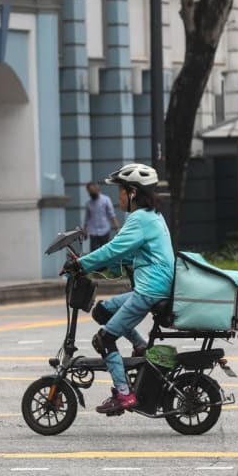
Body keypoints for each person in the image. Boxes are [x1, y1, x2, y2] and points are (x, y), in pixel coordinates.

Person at [65, 163, 175, 415]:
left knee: (103, 340)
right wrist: (97, 268)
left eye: (121, 192)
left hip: (150, 290)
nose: (119, 197)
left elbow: (114, 248)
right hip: (153, 287)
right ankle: (140, 346)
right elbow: (124, 255)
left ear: (133, 192)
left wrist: (80, 264)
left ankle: (125, 395)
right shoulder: (152, 215)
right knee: (102, 311)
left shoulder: (140, 218)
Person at [83, 182, 120, 252]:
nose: (92, 192)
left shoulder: (106, 199)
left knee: (104, 251)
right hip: (93, 231)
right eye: (90, 191)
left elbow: (112, 215)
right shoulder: (88, 203)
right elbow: (87, 218)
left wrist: (117, 228)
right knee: (94, 252)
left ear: (97, 189)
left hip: (104, 230)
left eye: (94, 190)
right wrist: (85, 230)